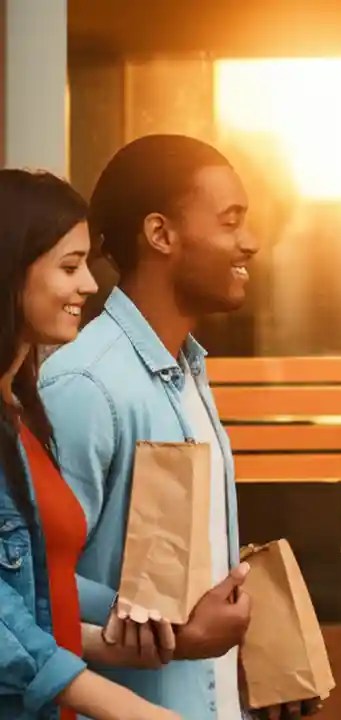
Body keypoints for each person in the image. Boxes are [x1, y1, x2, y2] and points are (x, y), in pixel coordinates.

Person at [38, 135, 315, 719]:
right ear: (161, 235)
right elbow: (39, 579)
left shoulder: (186, 367)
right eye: (230, 221)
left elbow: (182, 559)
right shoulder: (86, 384)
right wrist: (170, 626)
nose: (251, 242)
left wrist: (252, 650)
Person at [0, 168, 179, 719]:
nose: (90, 284)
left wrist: (134, 628)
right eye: (69, 266)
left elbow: (38, 592)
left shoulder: (22, 415)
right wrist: (125, 706)